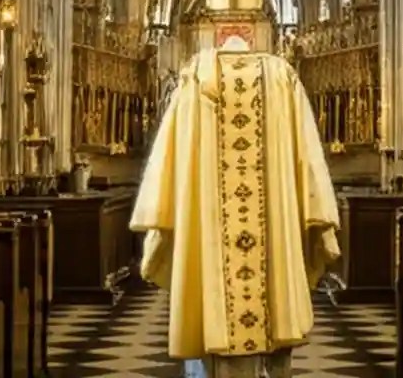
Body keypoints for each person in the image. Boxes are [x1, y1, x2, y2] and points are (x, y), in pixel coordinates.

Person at [130, 33, 342, 377]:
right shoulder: (282, 77)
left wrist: (160, 227)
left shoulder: (194, 79)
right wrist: (321, 222)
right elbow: (308, 157)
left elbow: (170, 160)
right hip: (274, 242)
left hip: (212, 243)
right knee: (276, 312)